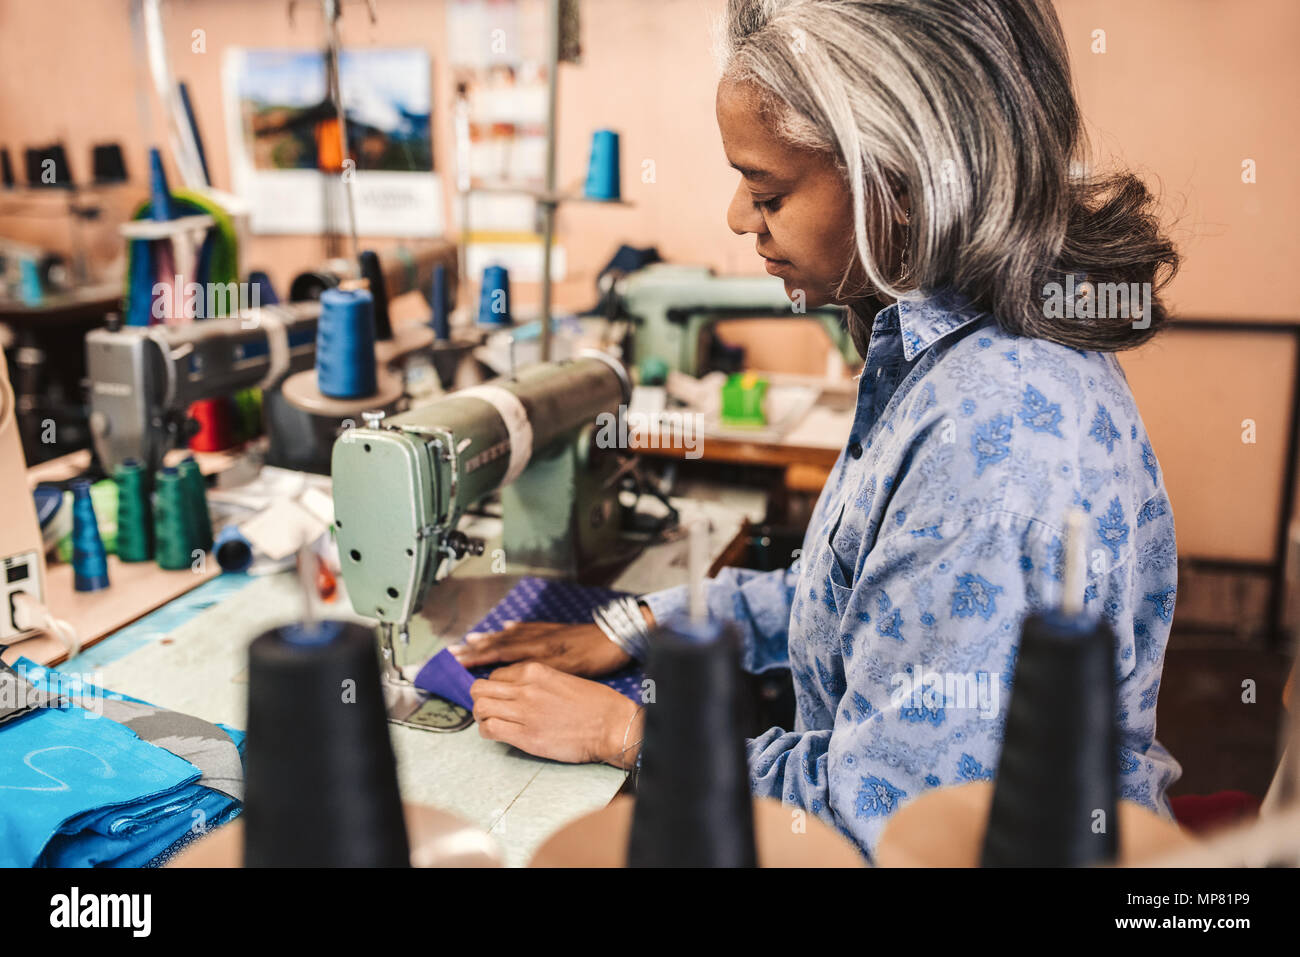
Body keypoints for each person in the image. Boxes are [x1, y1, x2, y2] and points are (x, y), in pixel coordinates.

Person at [457, 0, 1182, 858]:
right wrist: (633, 625)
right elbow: (839, 594)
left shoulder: (997, 440)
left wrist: (630, 734)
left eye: (768, 190)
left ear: (906, 180)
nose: (737, 216)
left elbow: (885, 820)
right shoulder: (931, 350)